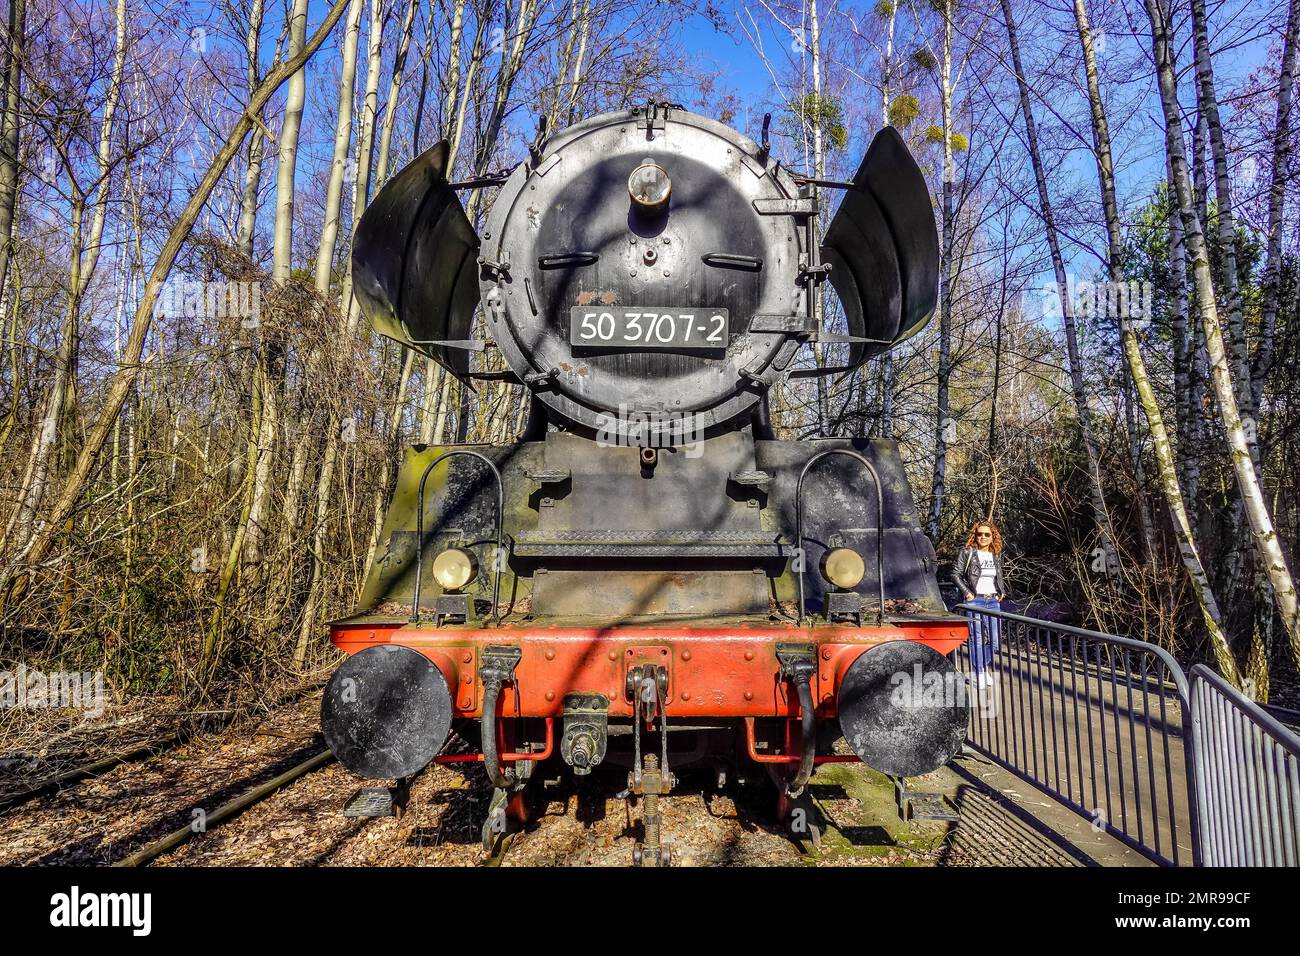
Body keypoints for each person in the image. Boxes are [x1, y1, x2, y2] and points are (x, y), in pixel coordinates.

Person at [951, 521, 1005, 687]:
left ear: (992, 537)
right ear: (975, 535)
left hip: (993, 601)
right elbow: (955, 573)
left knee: (995, 642)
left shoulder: (995, 554)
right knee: (977, 639)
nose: (982, 537)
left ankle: (979, 668)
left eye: (986, 534)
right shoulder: (968, 552)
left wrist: (1001, 590)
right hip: (975, 600)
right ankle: (979, 671)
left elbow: (998, 576)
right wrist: (967, 592)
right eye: (979, 534)